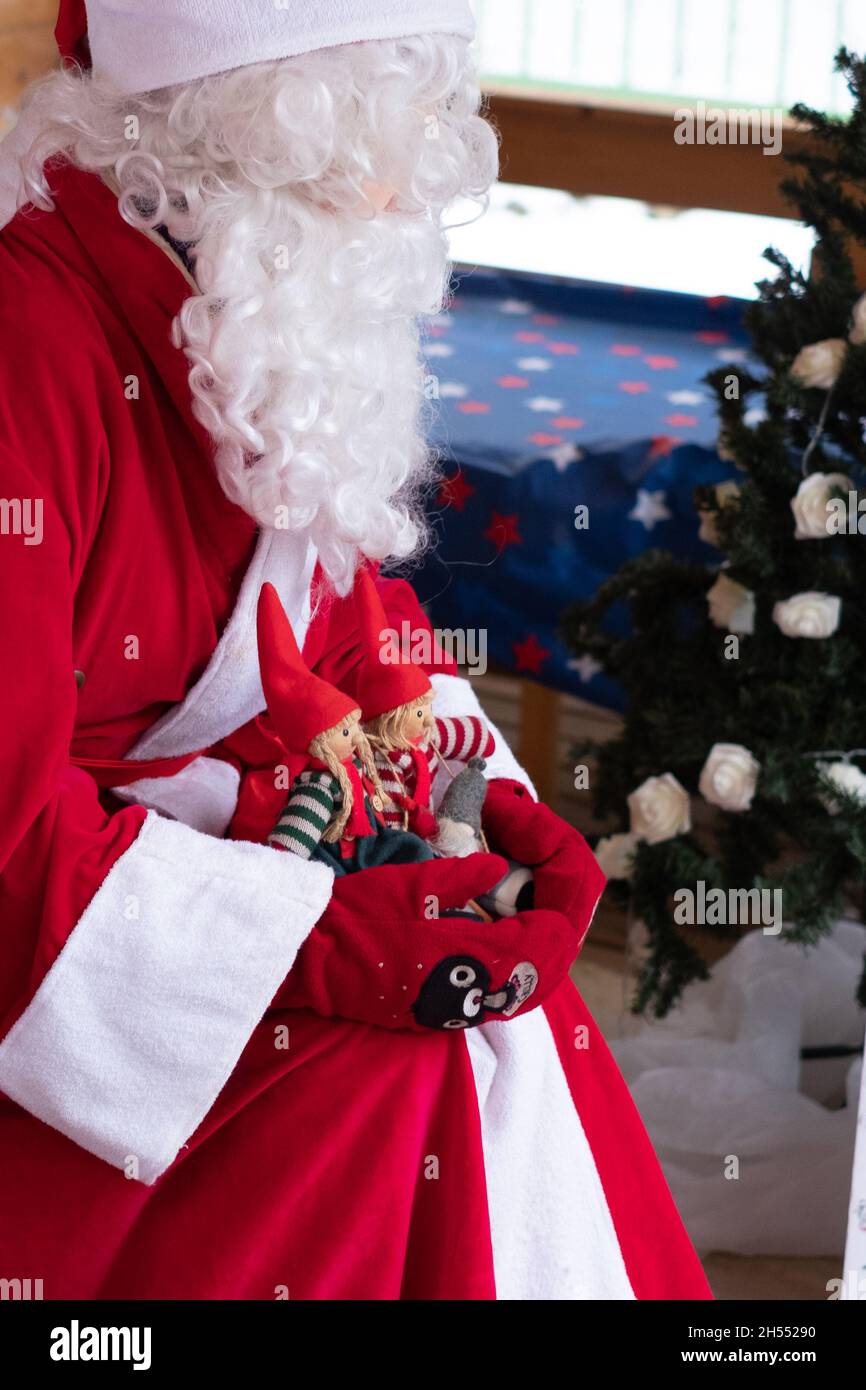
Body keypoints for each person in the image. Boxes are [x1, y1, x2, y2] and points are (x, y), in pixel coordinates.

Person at [0, 1, 711, 1299]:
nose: (422, 182)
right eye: (406, 117)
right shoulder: (26, 343)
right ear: (266, 118)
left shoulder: (227, 295)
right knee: (405, 1064)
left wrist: (469, 801)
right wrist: (326, 940)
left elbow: (344, 629)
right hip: (67, 996)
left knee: (507, 1010)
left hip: (215, 870)